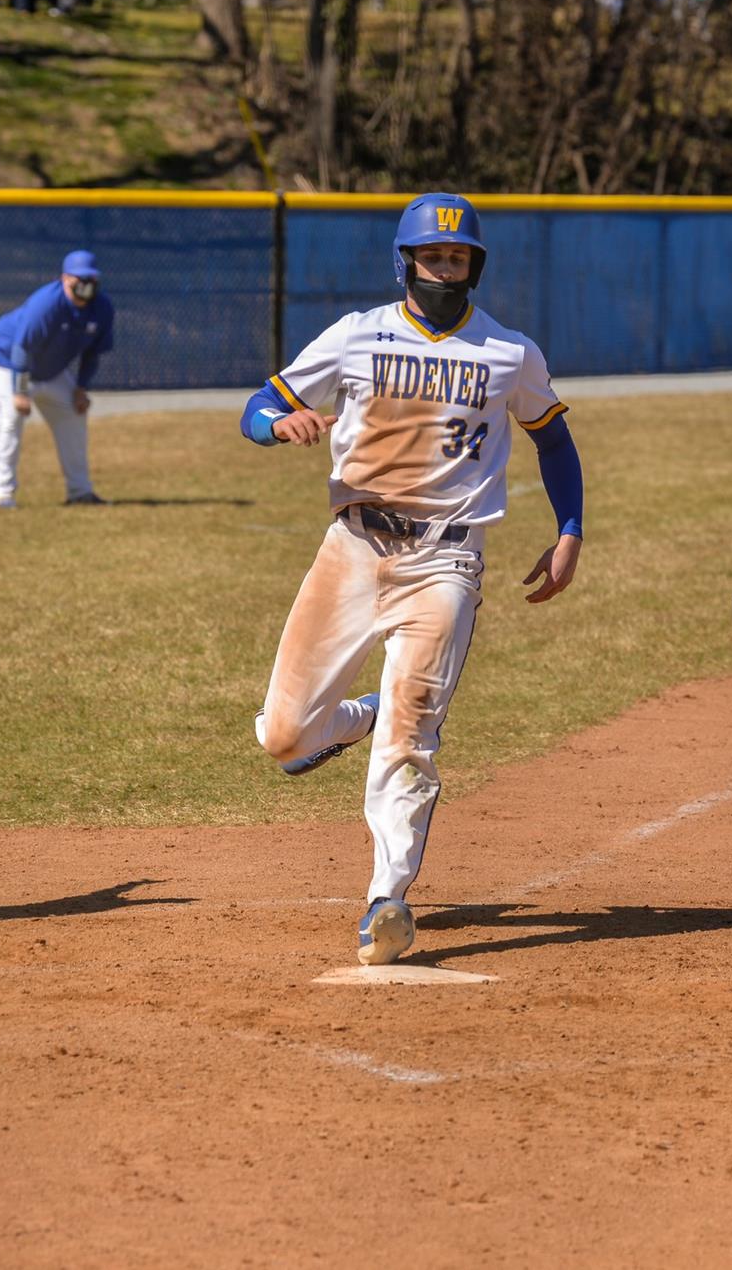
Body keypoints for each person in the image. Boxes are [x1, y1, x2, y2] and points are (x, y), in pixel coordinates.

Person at [239, 193, 585, 967]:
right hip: (354, 548)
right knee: (282, 734)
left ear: (475, 265)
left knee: (411, 739)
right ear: (407, 262)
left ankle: (386, 899)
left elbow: (554, 440)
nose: (446, 269)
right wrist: (275, 425)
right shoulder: (357, 337)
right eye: (433, 257)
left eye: (458, 258)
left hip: (446, 561)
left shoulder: (509, 352)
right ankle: (352, 718)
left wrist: (570, 530)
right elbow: (260, 405)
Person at [0, 249, 115, 508]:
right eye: (79, 278)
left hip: (49, 371)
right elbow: (21, 347)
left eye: (91, 279)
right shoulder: (47, 304)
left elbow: (93, 353)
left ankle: (80, 493)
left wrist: (81, 388)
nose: (86, 285)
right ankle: (2, 494)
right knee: (11, 416)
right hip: (7, 362)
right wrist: (19, 392)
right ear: (65, 279)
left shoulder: (102, 308)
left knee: (73, 414)